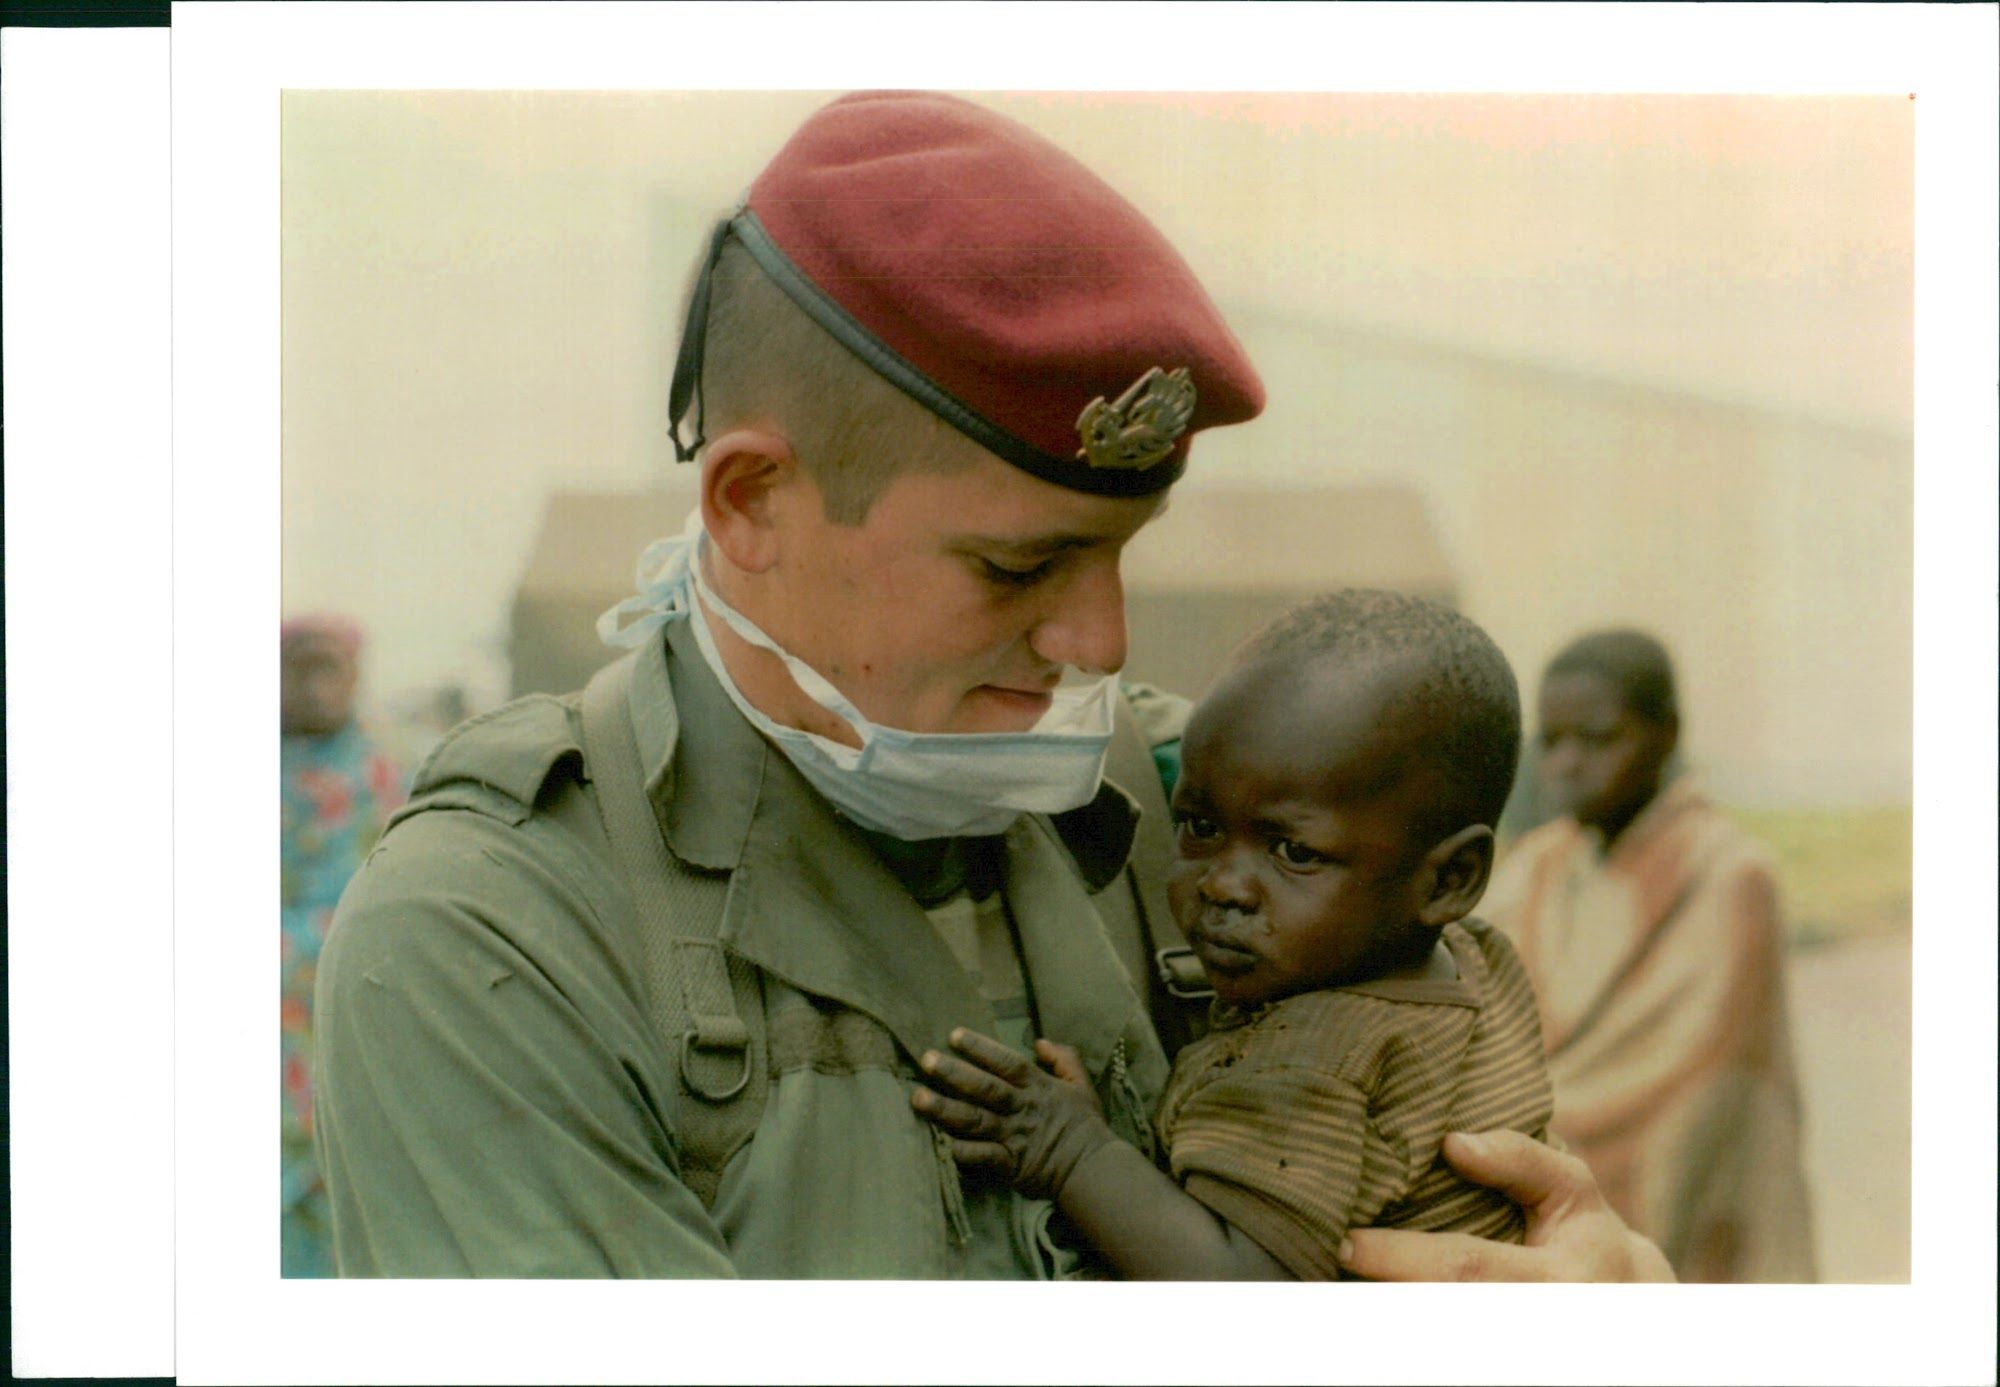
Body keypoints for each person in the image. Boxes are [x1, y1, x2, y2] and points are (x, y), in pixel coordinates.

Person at [313, 90, 1665, 1281]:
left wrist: (1602, 1298)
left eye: (1120, 557)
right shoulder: (493, 935)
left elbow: (1467, 1173)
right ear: (752, 501)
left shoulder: (1200, 810)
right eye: (1020, 565)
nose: (1100, 640)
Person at [912, 591, 1555, 1278]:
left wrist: (1071, 1150)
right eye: (1200, 826)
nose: (1222, 884)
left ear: (1448, 879)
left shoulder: (1306, 1058)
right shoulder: (1477, 956)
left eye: (1295, 853)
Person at [1483, 629, 1817, 1282]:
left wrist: (1538, 1140)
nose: (1567, 763)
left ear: (1665, 734)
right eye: (1552, 742)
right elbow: (1480, 1015)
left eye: (1599, 738)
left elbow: (1705, 1074)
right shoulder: (1536, 867)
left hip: (1681, 1199)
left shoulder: (1729, 872)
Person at [280, 614, 403, 1276]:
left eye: (331, 667)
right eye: (301, 667)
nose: (317, 685)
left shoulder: (386, 774)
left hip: (354, 1003)